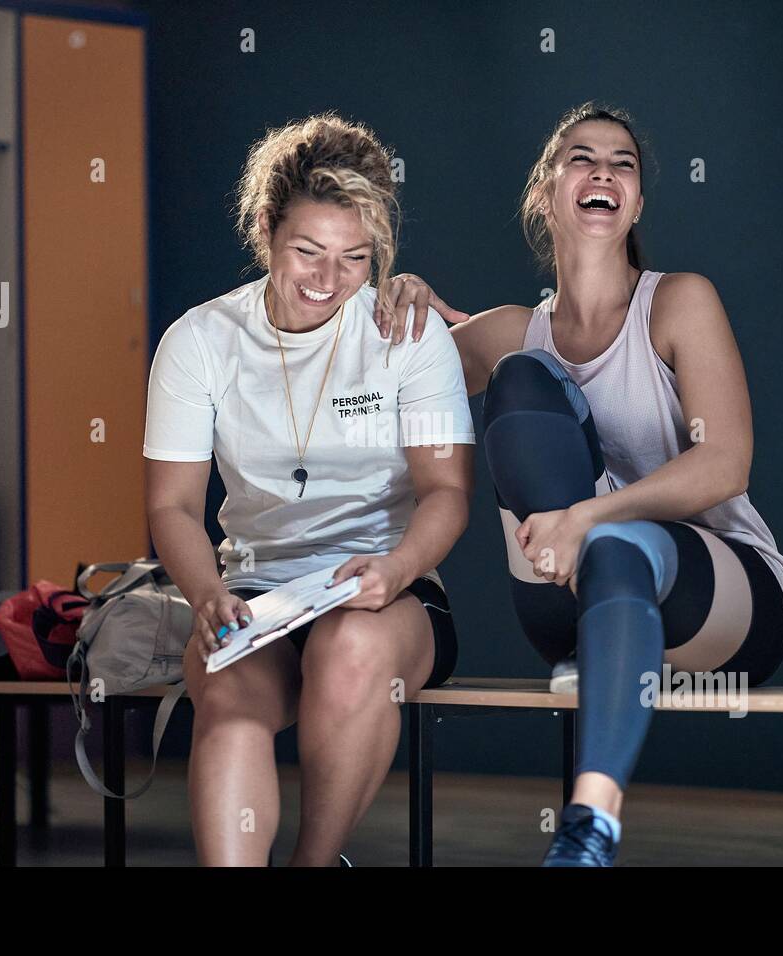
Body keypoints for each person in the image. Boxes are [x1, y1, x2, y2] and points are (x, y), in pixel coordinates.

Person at [371, 102, 783, 867]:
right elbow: (385, 386)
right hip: (564, 600)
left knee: (616, 546)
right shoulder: (514, 332)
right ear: (546, 191)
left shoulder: (678, 301)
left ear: (634, 201)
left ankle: (589, 826)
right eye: (581, 157)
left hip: (725, 602)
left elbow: (725, 465)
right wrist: (403, 302)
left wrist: (591, 516)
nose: (603, 170)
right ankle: (597, 610)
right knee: (523, 380)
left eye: (623, 163)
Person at [143, 113, 475, 866]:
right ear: (265, 229)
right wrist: (206, 597)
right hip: (255, 591)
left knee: (351, 646)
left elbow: (447, 491)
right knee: (227, 696)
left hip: (389, 590)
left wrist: (395, 569)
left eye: (355, 258)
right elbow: (171, 506)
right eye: (308, 252)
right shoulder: (199, 341)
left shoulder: (406, 331)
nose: (328, 281)